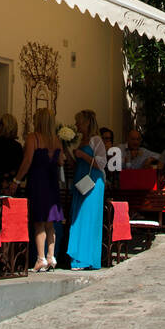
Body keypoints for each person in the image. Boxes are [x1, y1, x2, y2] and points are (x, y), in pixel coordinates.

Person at [12, 109, 64, 272]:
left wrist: (16, 180)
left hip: (38, 182)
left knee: (38, 222)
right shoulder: (56, 140)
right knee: (50, 223)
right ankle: (51, 256)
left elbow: (27, 161)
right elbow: (62, 161)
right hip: (52, 183)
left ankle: (40, 258)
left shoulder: (32, 138)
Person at [65, 109, 107, 270]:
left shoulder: (96, 140)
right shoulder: (80, 140)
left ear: (87, 122)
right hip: (80, 180)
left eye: (79, 122)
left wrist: (83, 156)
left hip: (93, 183)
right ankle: (77, 256)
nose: (77, 125)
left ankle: (87, 258)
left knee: (88, 218)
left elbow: (102, 164)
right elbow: (75, 163)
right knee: (78, 217)